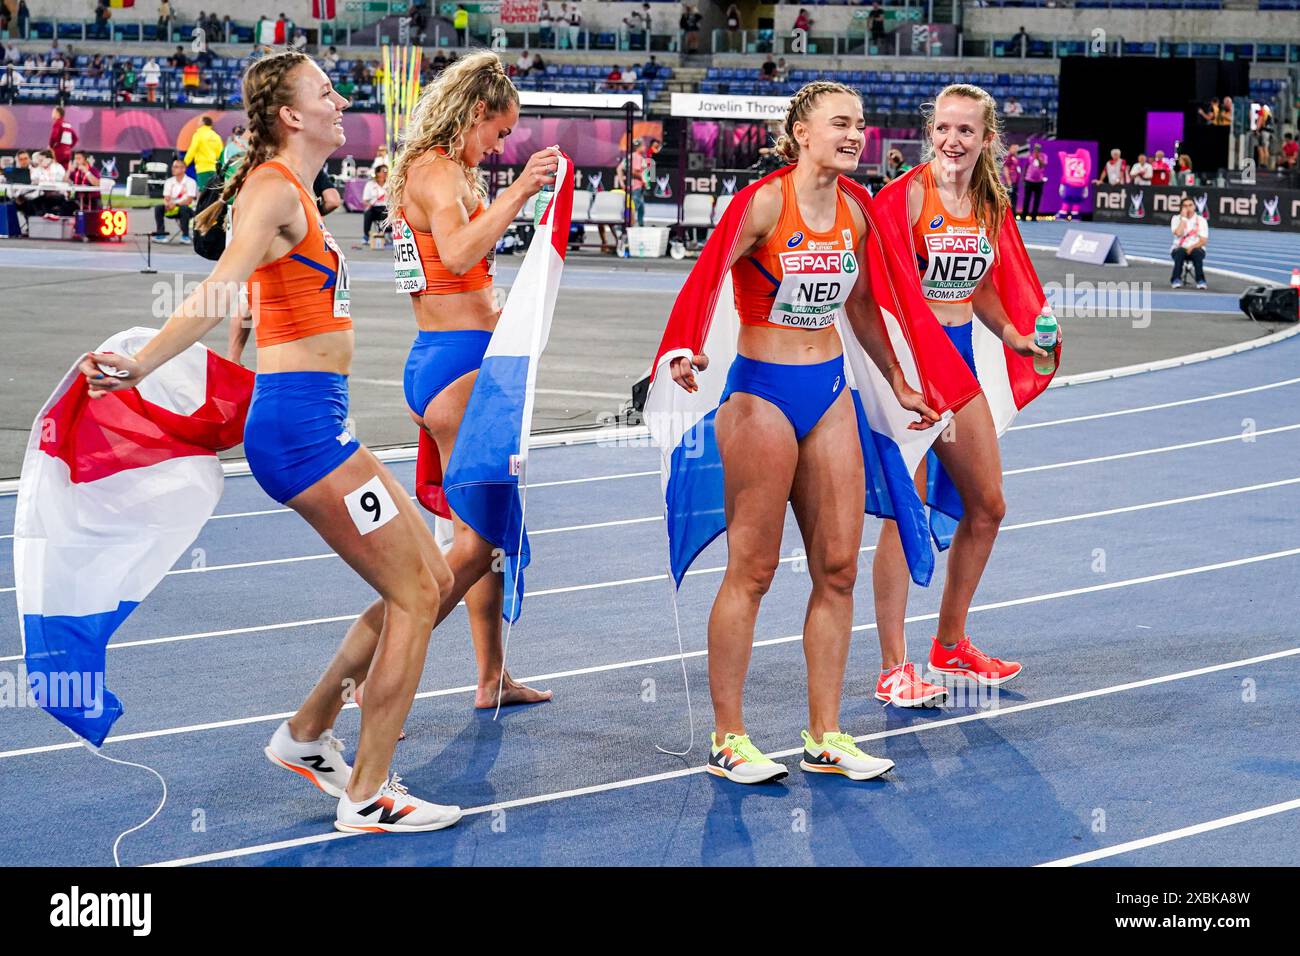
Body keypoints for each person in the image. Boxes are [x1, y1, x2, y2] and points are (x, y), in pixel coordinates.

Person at [106, 49, 463, 835]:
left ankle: (306, 734)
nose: (342, 102)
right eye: (326, 93)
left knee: (429, 574)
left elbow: (259, 293)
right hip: (303, 432)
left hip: (316, 421)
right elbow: (221, 284)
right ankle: (369, 795)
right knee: (417, 594)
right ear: (290, 116)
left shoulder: (291, 191)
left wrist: (244, 336)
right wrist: (141, 364)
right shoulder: (273, 187)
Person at [662, 82, 948, 783]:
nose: (855, 134)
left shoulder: (855, 213)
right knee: (754, 572)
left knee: (839, 570)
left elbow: (862, 307)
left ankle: (825, 735)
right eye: (840, 123)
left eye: (860, 124)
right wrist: (685, 347)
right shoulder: (763, 203)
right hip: (760, 397)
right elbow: (704, 278)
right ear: (800, 133)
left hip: (829, 396)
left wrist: (899, 381)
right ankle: (729, 737)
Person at [870, 84, 1056, 707]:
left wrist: (1017, 338)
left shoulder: (989, 201)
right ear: (930, 131)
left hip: (961, 360)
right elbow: (875, 292)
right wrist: (896, 374)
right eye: (944, 128)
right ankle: (894, 666)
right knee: (907, 507)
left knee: (989, 505)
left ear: (987, 139)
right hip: (913, 367)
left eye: (966, 131)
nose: (953, 140)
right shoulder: (905, 197)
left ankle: (949, 644)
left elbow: (981, 290)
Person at [384, 51, 559, 709]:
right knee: (475, 540)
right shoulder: (435, 173)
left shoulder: (442, 172)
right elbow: (458, 252)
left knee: (480, 537)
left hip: (459, 358)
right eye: (500, 132)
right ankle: (383, 680)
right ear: (476, 113)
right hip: (455, 368)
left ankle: (491, 678)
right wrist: (522, 191)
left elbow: (456, 271)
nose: (500, 147)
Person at [154, 158, 197, 242]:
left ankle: (185, 236)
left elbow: (189, 200)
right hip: (171, 208)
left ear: (183, 169)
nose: (173, 168)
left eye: (176, 167)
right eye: (173, 166)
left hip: (188, 209)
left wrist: (175, 204)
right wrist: (167, 204)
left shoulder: (191, 182)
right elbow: (166, 197)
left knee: (184, 208)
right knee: (158, 208)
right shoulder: (169, 182)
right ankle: (161, 234)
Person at [1170, 196, 1208, 290]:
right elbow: (1178, 233)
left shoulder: (1201, 220)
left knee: (1197, 253)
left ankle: (1201, 281)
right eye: (1185, 206)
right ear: (1181, 208)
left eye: (1190, 205)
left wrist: (1192, 247)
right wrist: (1183, 219)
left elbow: (1203, 240)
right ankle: (1176, 279)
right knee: (1179, 253)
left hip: (1196, 247)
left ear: (1194, 206)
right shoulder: (1176, 219)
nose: (1188, 208)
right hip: (1179, 247)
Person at [184, 115, 225, 190]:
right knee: (212, 192)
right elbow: (220, 154)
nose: (198, 123)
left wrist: (184, 163)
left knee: (203, 192)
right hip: (214, 169)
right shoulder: (216, 136)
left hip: (203, 168)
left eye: (199, 121)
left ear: (203, 122)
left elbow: (192, 150)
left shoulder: (198, 135)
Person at [362, 163, 388, 239]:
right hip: (374, 207)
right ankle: (366, 235)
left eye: (386, 171)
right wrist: (368, 205)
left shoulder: (390, 184)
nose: (385, 172)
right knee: (368, 213)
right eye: (383, 171)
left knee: (388, 214)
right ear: (377, 173)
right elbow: (365, 200)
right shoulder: (370, 184)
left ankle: (385, 235)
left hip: (386, 207)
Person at [1020, 141, 1045, 219]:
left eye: (1038, 150)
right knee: (1027, 198)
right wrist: (1023, 178)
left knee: (1037, 199)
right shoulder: (1029, 157)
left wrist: (1038, 158)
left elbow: (1042, 165)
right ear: (1033, 150)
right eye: (1035, 149)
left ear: (1040, 150)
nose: (1036, 151)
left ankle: (1034, 216)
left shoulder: (1043, 157)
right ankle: (1024, 216)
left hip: (1039, 182)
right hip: (1029, 181)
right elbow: (1026, 167)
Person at [49, 105, 78, 169]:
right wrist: (69, 147)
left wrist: (50, 146)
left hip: (58, 152)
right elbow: (75, 138)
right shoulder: (68, 124)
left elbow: (53, 136)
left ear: (57, 113)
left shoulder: (57, 123)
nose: (52, 114)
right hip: (68, 152)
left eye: (53, 112)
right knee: (65, 171)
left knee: (56, 171)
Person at [1000, 142, 1021, 214]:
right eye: (1014, 148)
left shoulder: (1015, 157)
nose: (1016, 150)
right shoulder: (1008, 156)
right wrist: (1008, 181)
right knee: (1008, 199)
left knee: (1014, 199)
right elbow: (1005, 168)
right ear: (1010, 148)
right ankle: (1006, 216)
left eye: (1017, 148)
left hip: (1015, 182)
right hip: (1009, 182)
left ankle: (1013, 216)